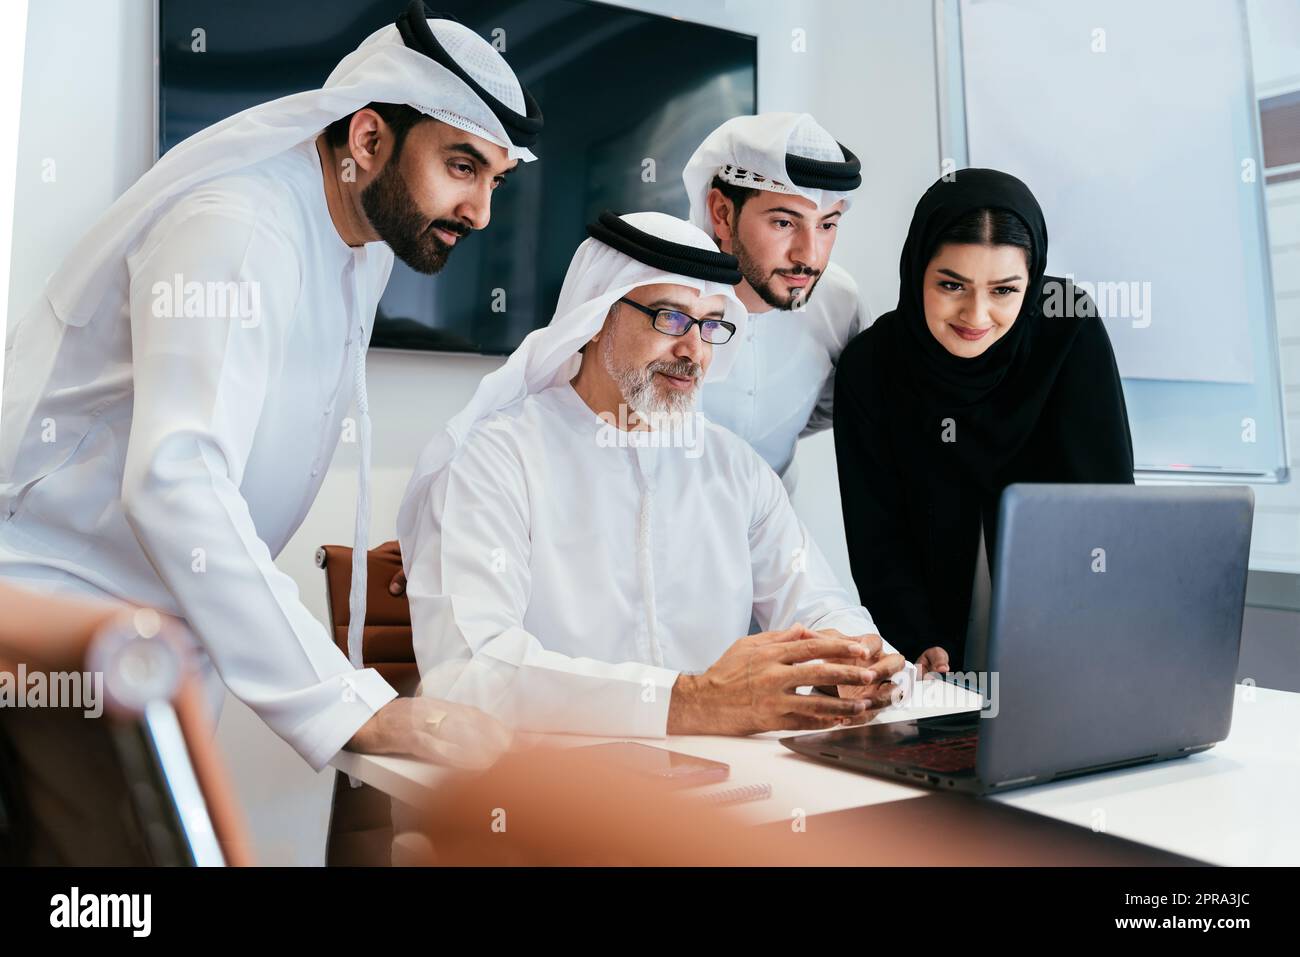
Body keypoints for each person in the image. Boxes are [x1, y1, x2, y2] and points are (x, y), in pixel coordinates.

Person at [0, 5, 533, 772]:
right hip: (56, 632)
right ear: (368, 138)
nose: (481, 211)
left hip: (156, 646)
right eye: (462, 166)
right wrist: (347, 703)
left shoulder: (358, 239)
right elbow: (174, 479)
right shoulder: (241, 227)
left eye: (496, 179)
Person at [396, 211, 914, 737]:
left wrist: (854, 660)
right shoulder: (497, 461)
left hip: (727, 780)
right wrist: (692, 704)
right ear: (597, 317)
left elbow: (817, 603)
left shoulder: (735, 470)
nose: (693, 350)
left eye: (711, 324)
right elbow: (471, 673)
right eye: (669, 318)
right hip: (550, 792)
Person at [833, 169, 1134, 677]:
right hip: (930, 647)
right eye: (951, 284)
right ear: (916, 270)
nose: (977, 314)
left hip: (1065, 627)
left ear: (1032, 283)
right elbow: (876, 534)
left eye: (1004, 290)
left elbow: (1104, 502)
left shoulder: (1067, 328)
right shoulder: (871, 366)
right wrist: (915, 636)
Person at [681, 113, 868, 490]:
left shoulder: (840, 302)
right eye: (784, 223)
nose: (809, 256)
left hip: (774, 537)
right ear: (722, 213)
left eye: (826, 225)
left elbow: (831, 407)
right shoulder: (662, 301)